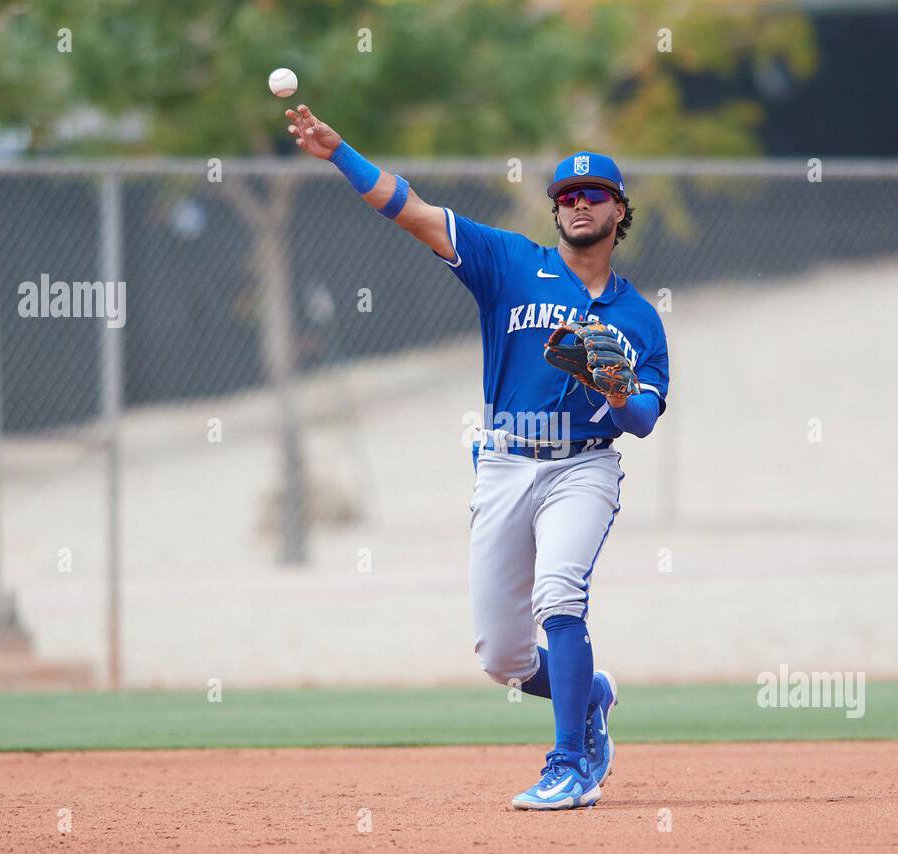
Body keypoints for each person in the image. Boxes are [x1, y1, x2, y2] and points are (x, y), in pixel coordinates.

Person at [286, 104, 670, 810]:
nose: (577, 204)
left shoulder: (637, 318)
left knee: (561, 594)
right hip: (504, 464)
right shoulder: (510, 263)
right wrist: (342, 153)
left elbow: (643, 419)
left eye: (592, 195)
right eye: (565, 196)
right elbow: (411, 210)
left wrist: (616, 392)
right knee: (504, 658)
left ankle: (570, 766)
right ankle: (590, 696)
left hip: (583, 466)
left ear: (620, 211)